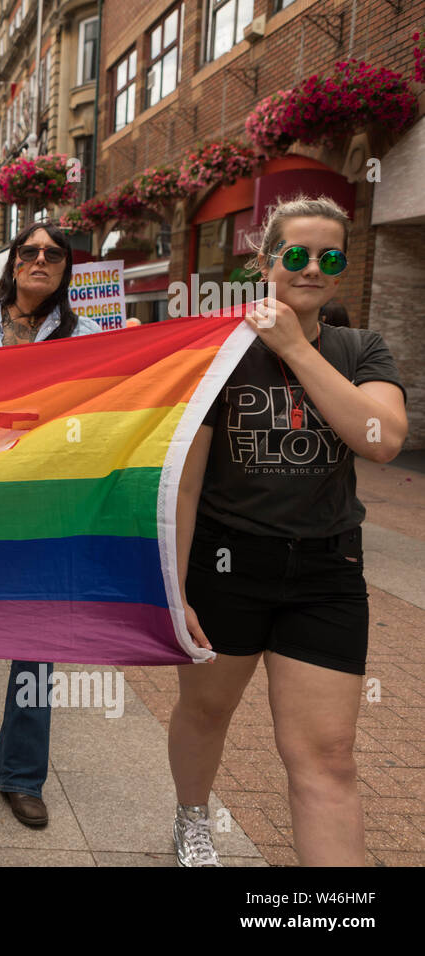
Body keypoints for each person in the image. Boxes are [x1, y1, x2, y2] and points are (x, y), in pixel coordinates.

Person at [169, 195, 407, 866]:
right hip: (224, 565)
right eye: (296, 255)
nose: (311, 268)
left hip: (326, 574)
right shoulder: (218, 353)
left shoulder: (361, 349)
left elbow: (381, 439)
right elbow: (186, 481)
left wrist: (299, 348)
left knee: (328, 754)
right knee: (207, 711)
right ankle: (192, 817)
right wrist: (174, 585)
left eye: (329, 257)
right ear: (266, 260)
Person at [0, 220, 102, 829]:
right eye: (29, 251)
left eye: (53, 254)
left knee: (37, 641)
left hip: (48, 505)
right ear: (13, 263)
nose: (40, 260)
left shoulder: (87, 333)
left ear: (66, 267)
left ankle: (21, 776)